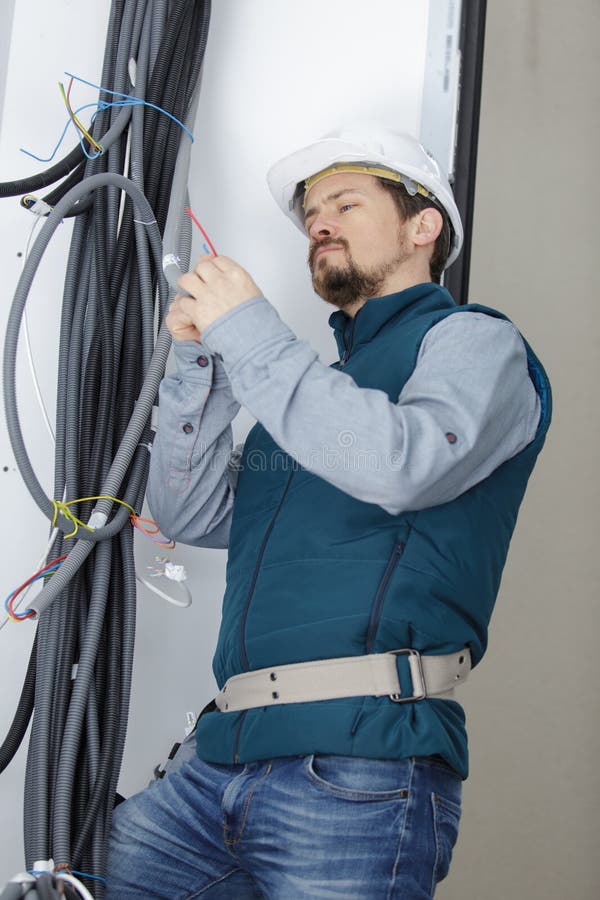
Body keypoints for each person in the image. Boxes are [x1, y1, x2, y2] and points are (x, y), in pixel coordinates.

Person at [106, 128, 552, 898]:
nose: (319, 223)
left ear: (424, 227)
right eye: (312, 213)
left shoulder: (476, 343)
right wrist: (196, 362)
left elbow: (401, 463)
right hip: (220, 760)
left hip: (362, 768)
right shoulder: (311, 395)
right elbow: (193, 509)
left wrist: (249, 332)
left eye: (346, 203)